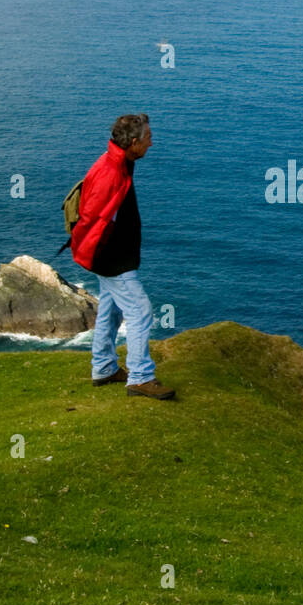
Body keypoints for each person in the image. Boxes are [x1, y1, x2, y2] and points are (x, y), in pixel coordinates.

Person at [69, 113, 175, 400]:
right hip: (112, 259)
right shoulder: (112, 172)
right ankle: (140, 377)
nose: (152, 144)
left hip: (111, 257)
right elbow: (92, 218)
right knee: (140, 312)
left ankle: (103, 367)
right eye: (148, 139)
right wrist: (100, 255)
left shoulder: (118, 162)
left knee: (110, 309)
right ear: (133, 142)